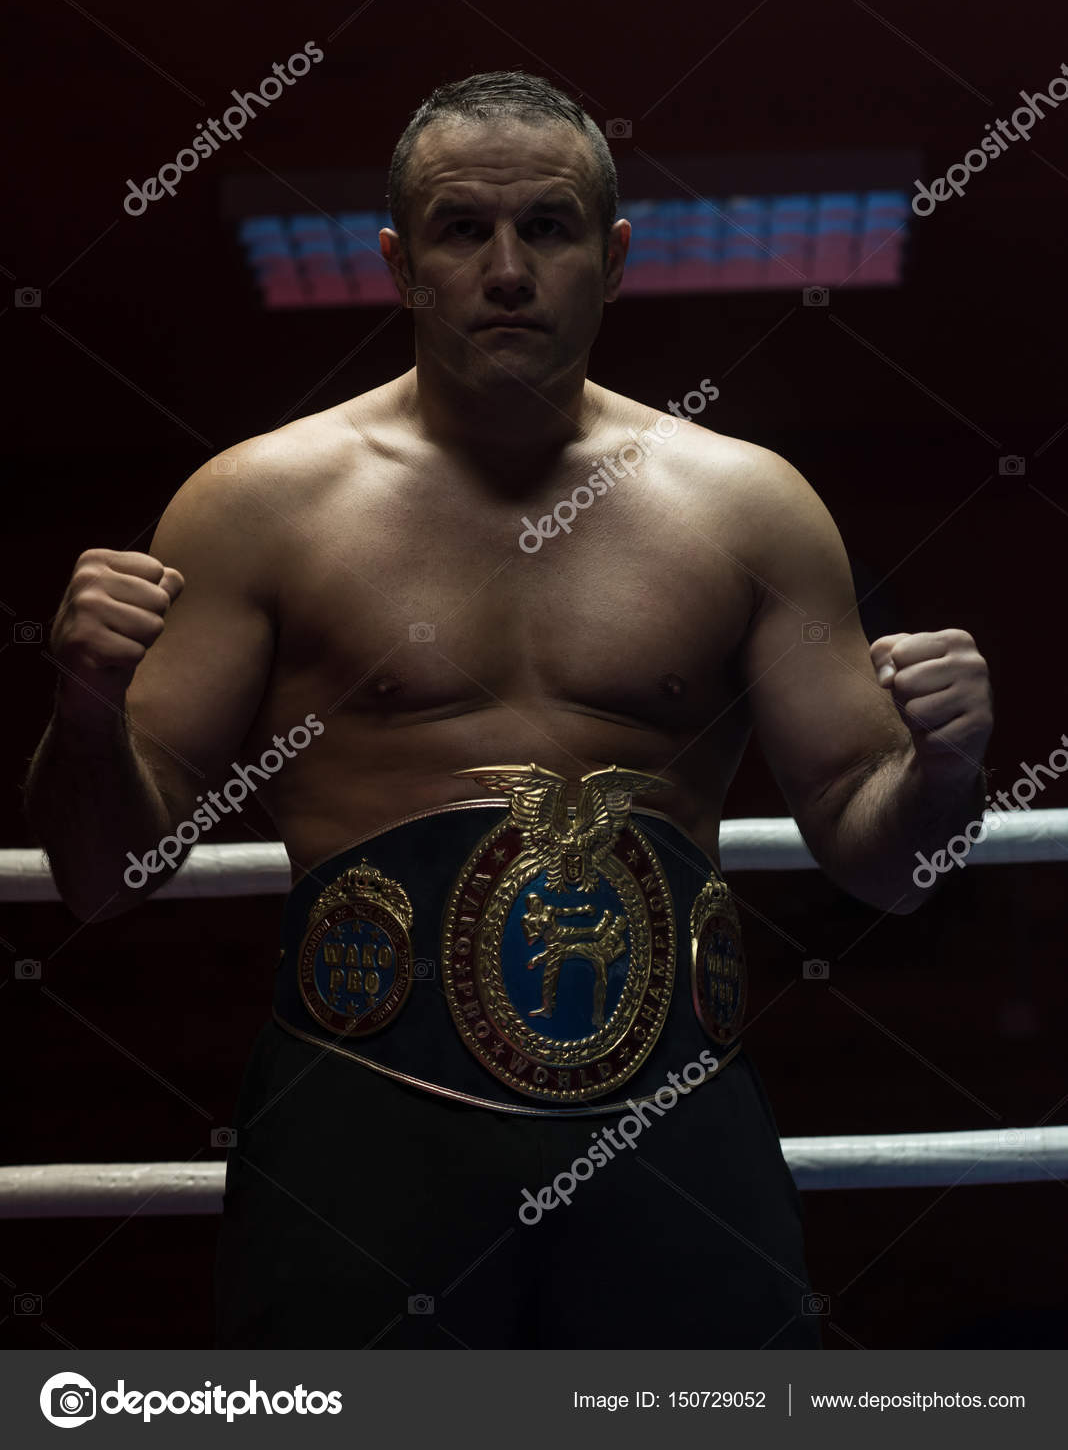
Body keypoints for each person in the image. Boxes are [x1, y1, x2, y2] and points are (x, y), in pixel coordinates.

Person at [25, 70, 993, 1351]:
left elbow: (891, 870)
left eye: (548, 227)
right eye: (460, 229)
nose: (506, 268)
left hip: (670, 1120)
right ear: (397, 261)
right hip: (362, 1121)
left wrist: (948, 763)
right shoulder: (258, 504)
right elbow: (101, 878)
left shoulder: (748, 507)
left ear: (615, 256)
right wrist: (85, 709)